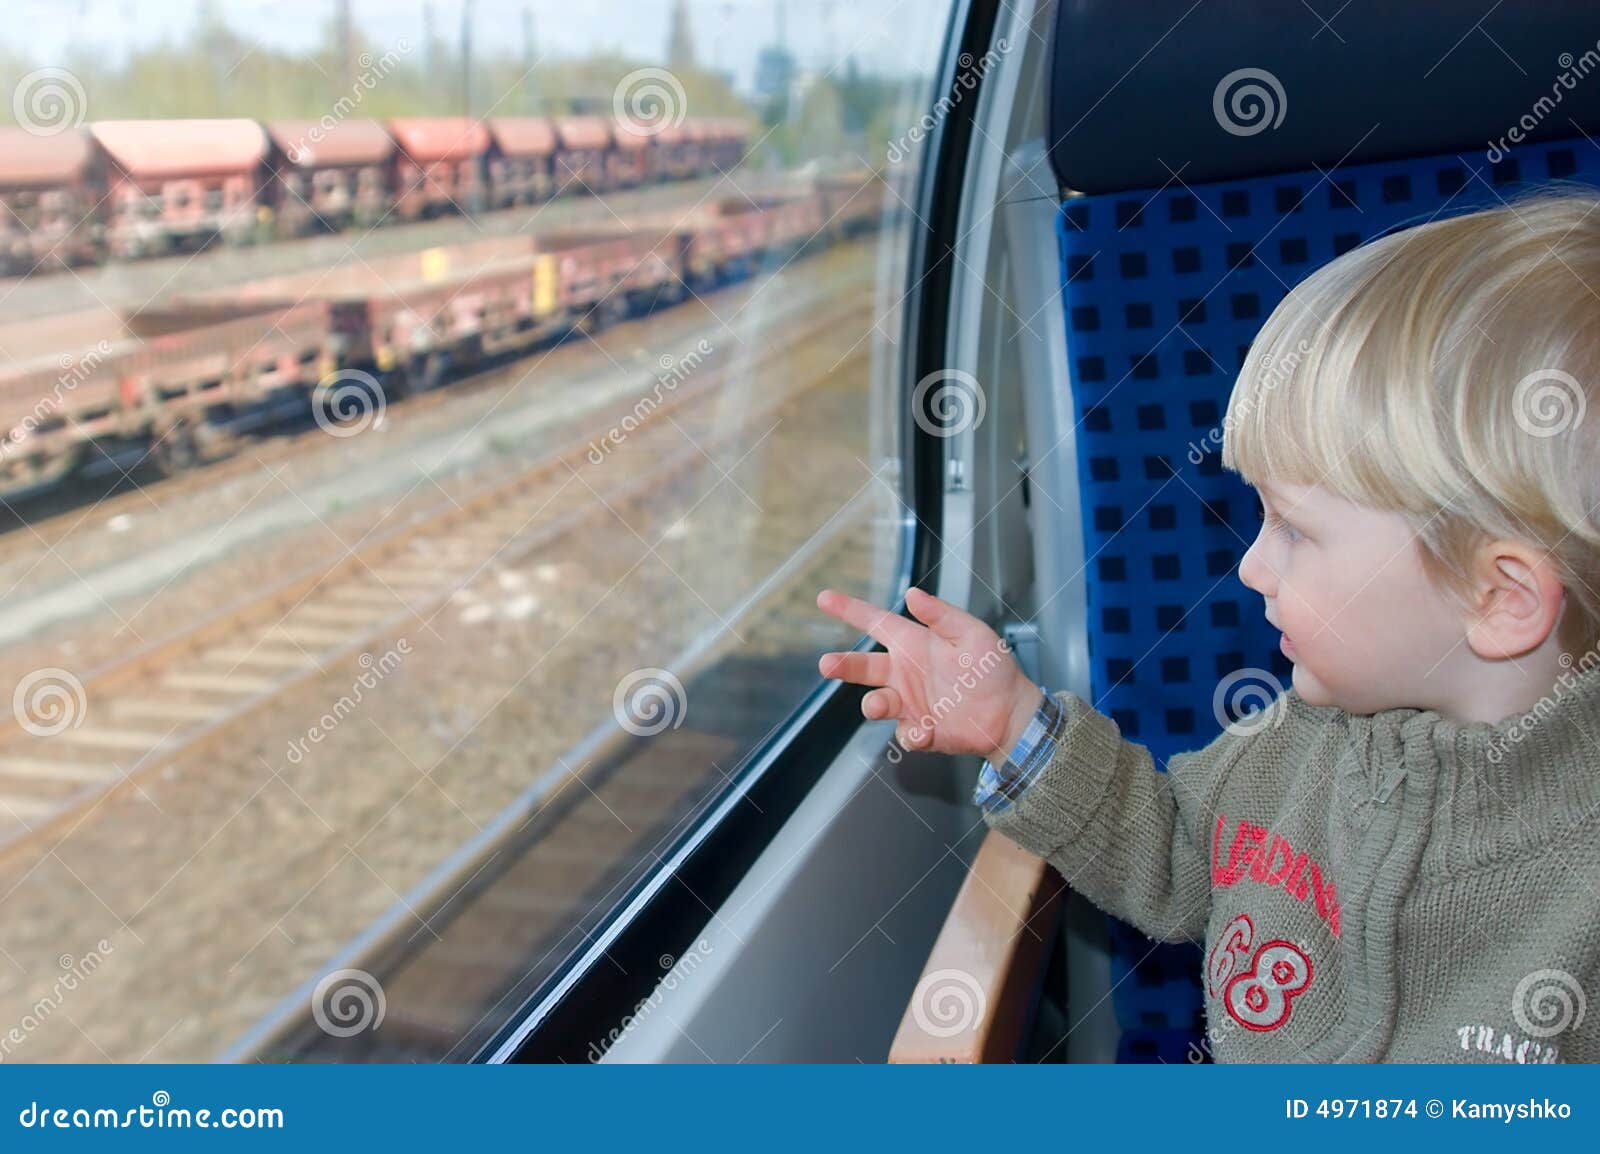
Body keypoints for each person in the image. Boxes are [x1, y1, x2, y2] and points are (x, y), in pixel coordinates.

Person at [817, 188, 1600, 1062]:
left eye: (1295, 531)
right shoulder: (1296, 747)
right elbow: (1175, 850)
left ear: (1498, 598)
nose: (1250, 566)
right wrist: (1011, 725)